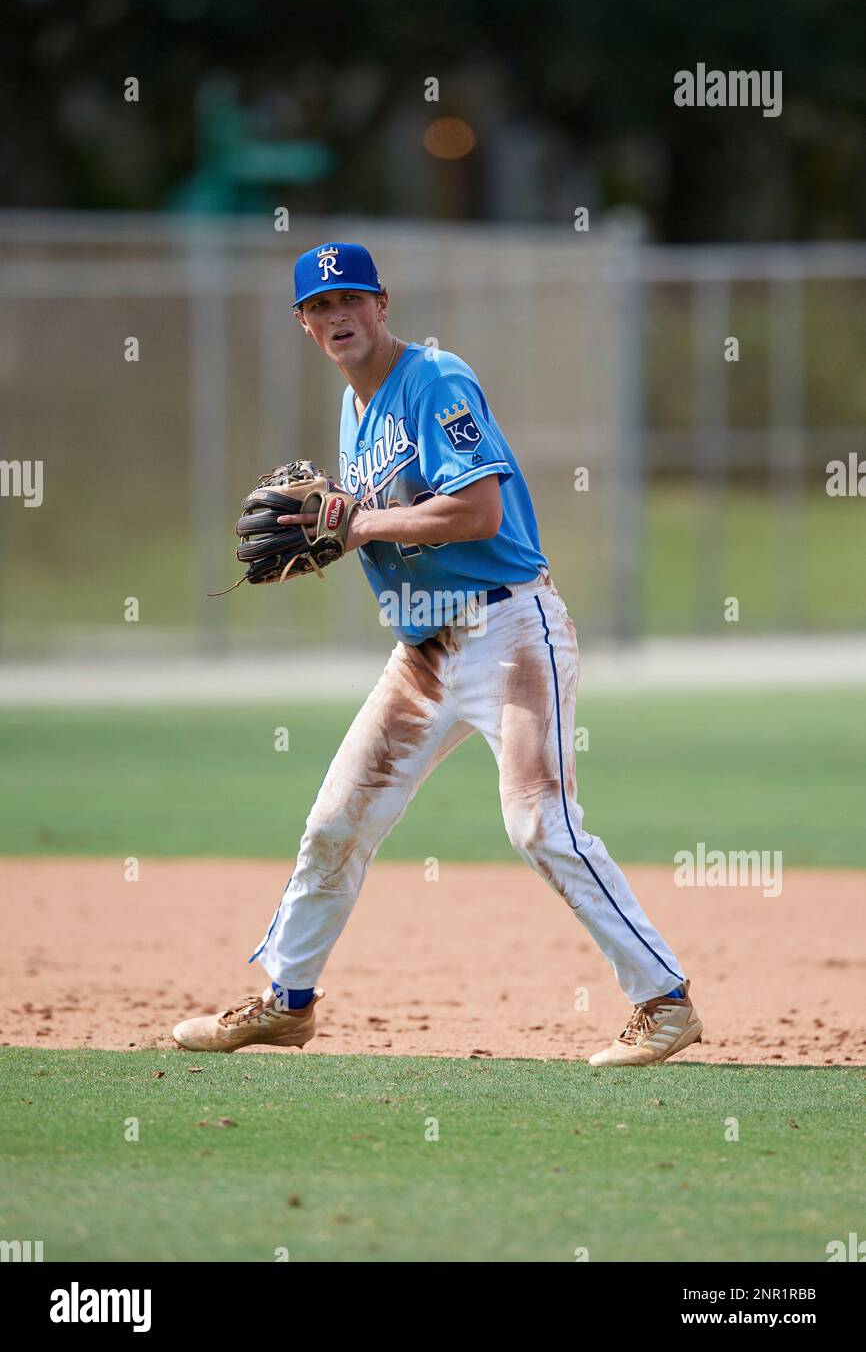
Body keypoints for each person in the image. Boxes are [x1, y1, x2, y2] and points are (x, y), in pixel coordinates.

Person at [173, 241, 703, 1066]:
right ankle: (286, 1002)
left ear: (382, 304)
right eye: (319, 307)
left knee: (540, 823)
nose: (337, 316)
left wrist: (355, 526)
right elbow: (380, 528)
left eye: (351, 299)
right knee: (334, 824)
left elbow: (478, 513)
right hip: (423, 651)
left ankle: (664, 1003)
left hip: (508, 632)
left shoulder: (434, 379)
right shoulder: (356, 411)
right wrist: (342, 535)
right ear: (305, 327)